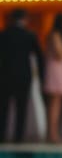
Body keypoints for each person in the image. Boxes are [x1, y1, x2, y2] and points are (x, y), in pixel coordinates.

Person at [0, 9, 44, 143]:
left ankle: (1, 135)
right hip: (23, 76)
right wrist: (42, 77)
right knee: (21, 107)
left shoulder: (3, 35)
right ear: (24, 19)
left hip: (4, 76)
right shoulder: (29, 35)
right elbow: (39, 56)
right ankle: (18, 137)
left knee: (3, 107)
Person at [43, 14, 62, 143]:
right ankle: (52, 134)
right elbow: (60, 55)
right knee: (54, 103)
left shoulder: (54, 35)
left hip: (58, 70)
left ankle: (53, 133)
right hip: (54, 70)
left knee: (56, 103)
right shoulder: (55, 35)